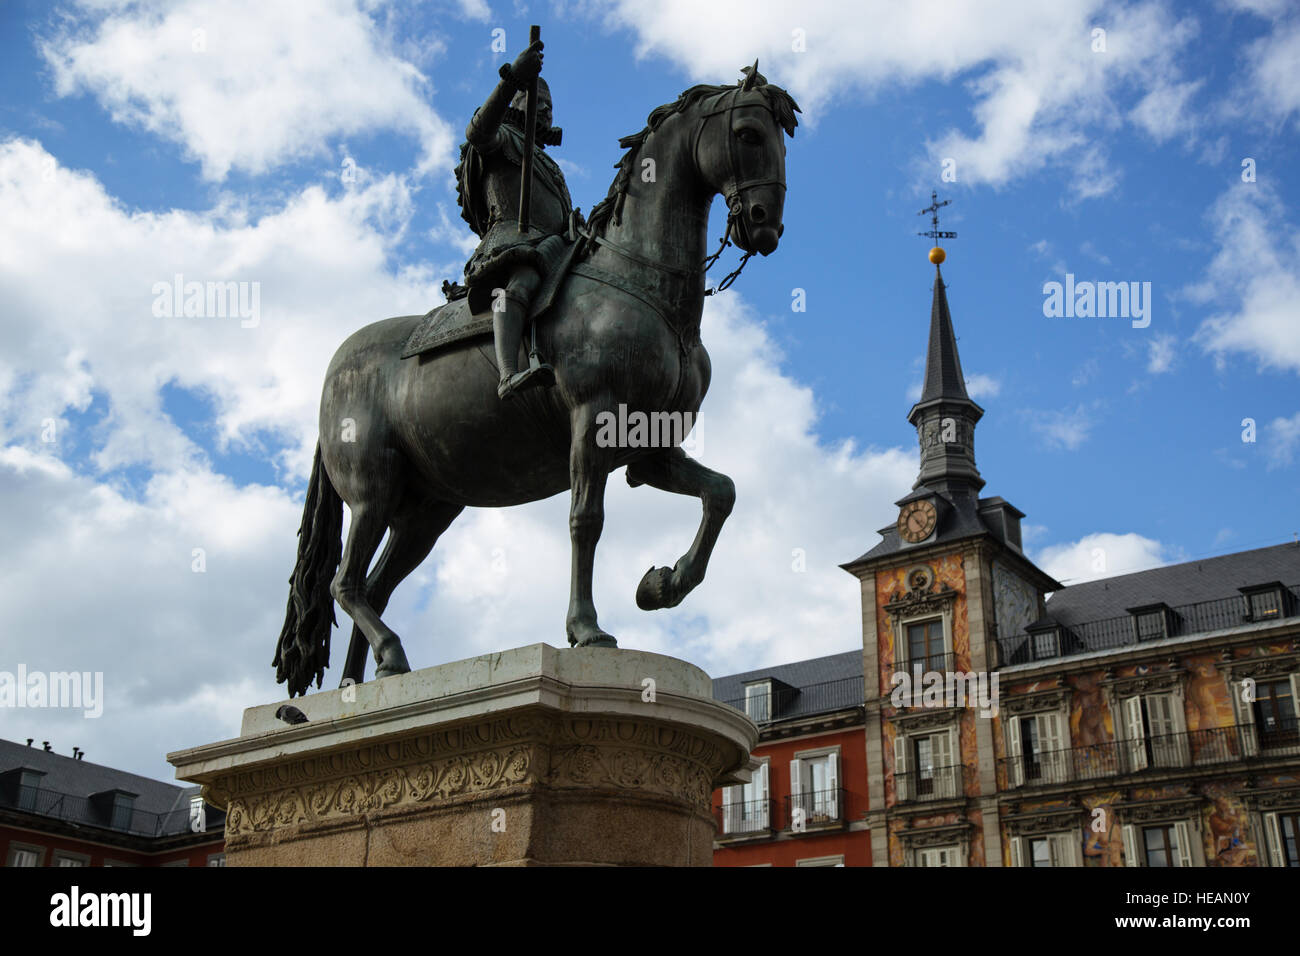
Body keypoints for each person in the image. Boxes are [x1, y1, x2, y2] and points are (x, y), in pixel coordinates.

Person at [455, 40, 572, 399]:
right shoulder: (502, 137)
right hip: (513, 242)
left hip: (555, 246)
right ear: (517, 102)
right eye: (537, 101)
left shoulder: (548, 162)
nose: (546, 110)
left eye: (550, 106)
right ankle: (507, 373)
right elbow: (477, 133)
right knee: (521, 281)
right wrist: (512, 81)